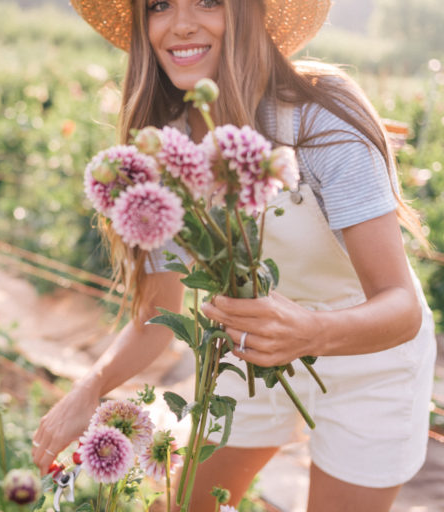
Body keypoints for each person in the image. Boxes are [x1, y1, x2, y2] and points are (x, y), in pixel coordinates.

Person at [31, 0, 438, 510]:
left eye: (208, 1)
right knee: (184, 506)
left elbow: (400, 306)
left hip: (368, 359)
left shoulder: (318, 113)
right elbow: (158, 314)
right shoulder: (166, 143)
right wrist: (90, 387)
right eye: (159, 5)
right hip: (245, 358)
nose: (181, 24)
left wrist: (311, 332)